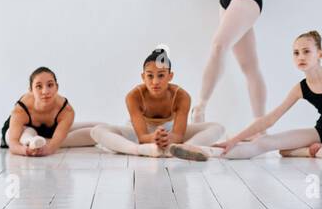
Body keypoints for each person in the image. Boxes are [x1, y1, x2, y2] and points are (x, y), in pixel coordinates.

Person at [211, 31, 322, 160]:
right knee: (264, 141)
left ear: (320, 54)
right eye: (296, 53)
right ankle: (213, 152)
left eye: (306, 51)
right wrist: (234, 140)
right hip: (320, 132)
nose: (300, 57)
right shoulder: (300, 88)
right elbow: (270, 119)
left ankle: (303, 152)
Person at [90, 46, 225, 160]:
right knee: (97, 130)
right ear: (143, 77)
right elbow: (142, 136)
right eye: (150, 76)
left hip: (169, 132)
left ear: (170, 76)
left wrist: (170, 138)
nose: (155, 82)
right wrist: (151, 138)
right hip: (137, 133)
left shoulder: (182, 96)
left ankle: (185, 148)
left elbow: (178, 135)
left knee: (217, 127)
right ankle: (140, 150)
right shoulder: (133, 96)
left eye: (161, 75)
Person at [1, 67, 99, 156]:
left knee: (99, 126)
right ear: (31, 90)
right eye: (39, 86)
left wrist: (49, 148)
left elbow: (52, 146)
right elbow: (13, 144)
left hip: (48, 134)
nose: (45, 91)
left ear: (57, 87)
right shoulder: (21, 110)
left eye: (50, 85)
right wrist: (26, 151)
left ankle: (39, 141)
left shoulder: (66, 111)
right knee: (29, 131)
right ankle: (32, 142)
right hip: (20, 134)